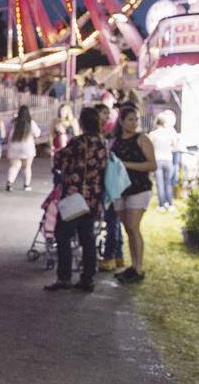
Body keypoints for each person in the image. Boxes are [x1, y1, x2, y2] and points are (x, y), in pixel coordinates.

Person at [45, 107, 108, 292]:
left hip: (75, 196)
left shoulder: (78, 142)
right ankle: (87, 277)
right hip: (93, 198)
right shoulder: (102, 144)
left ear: (82, 122)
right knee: (87, 238)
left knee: (63, 235)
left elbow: (59, 160)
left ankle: (64, 276)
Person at [112, 103, 156, 284]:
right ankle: (133, 265)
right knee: (128, 229)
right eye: (130, 119)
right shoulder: (115, 140)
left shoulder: (142, 140)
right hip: (120, 189)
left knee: (133, 226)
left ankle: (139, 267)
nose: (134, 123)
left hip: (138, 188)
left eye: (136, 119)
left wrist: (126, 164)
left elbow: (152, 165)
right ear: (121, 121)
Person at [95, 102, 125, 272]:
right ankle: (117, 254)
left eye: (108, 114)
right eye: (104, 114)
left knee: (112, 219)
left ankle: (110, 256)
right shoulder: (106, 137)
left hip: (110, 184)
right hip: (109, 183)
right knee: (113, 220)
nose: (107, 117)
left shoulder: (109, 138)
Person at [4, 105, 40, 191]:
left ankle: (9, 183)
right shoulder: (30, 122)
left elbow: (7, 132)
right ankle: (26, 185)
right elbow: (37, 133)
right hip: (27, 148)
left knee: (14, 166)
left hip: (14, 147)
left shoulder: (13, 122)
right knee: (27, 167)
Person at [149, 113, 178, 212]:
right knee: (168, 183)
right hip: (168, 159)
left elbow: (149, 147)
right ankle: (170, 204)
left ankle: (161, 205)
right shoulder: (169, 133)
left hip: (157, 160)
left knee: (160, 184)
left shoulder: (153, 134)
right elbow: (175, 146)